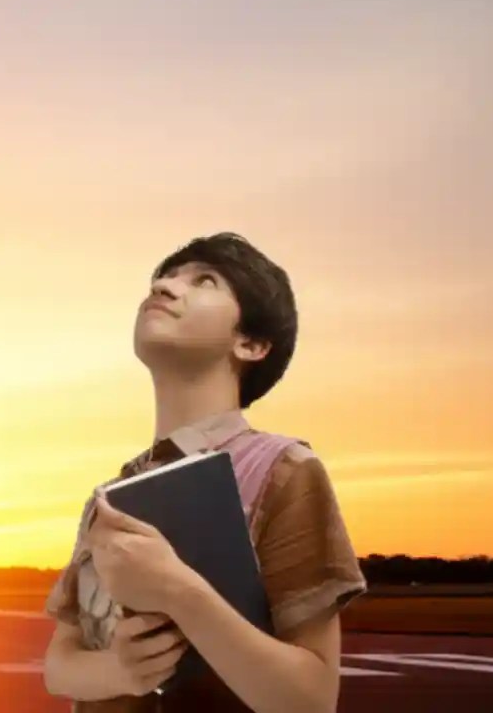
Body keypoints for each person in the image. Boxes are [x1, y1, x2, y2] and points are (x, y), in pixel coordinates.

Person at [40, 232, 366, 712]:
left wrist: (178, 591)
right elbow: (58, 664)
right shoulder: (108, 497)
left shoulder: (283, 471)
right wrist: (119, 670)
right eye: (164, 277)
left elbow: (312, 701)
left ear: (251, 343)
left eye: (204, 280)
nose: (164, 286)